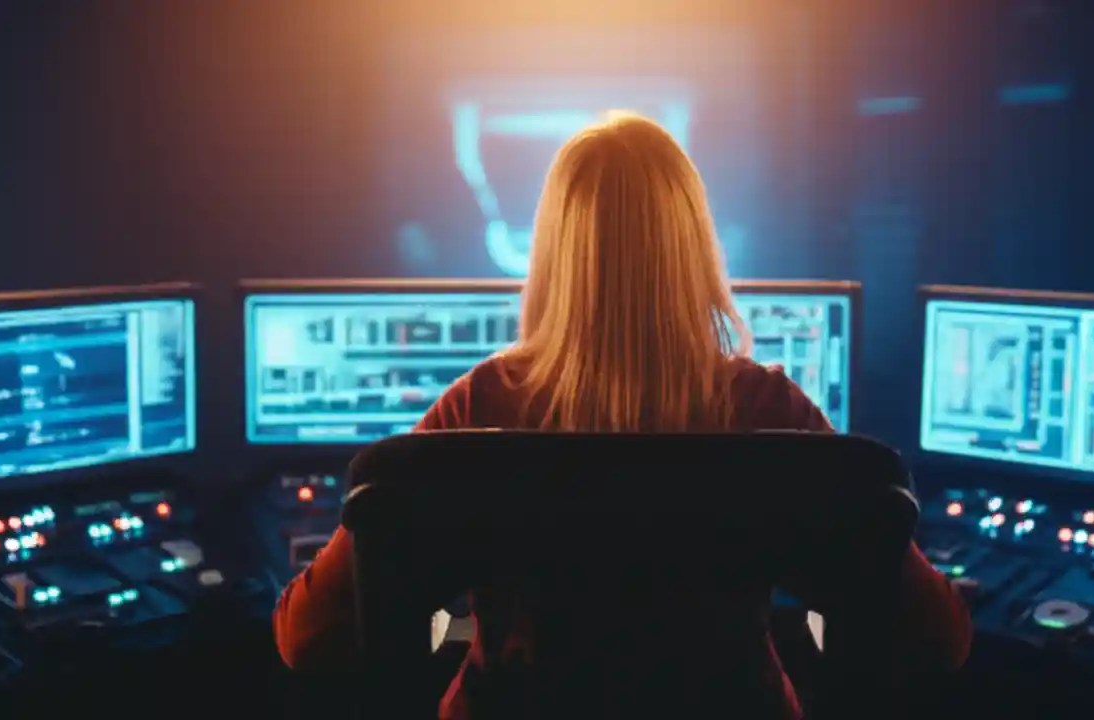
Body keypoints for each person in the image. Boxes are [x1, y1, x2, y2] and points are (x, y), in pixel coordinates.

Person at [273, 112, 971, 718]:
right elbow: (937, 638)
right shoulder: (765, 409)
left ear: (552, 253)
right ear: (695, 248)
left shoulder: (480, 406)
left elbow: (307, 638)